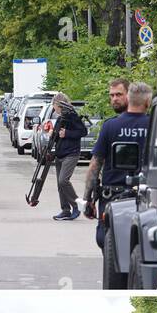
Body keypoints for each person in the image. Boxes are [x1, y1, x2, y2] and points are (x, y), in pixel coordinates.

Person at [84, 80, 152, 248]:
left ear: (128, 96)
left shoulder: (110, 126)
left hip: (112, 196)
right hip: (147, 196)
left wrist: (88, 199)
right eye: (112, 95)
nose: (114, 98)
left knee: (107, 240)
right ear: (148, 102)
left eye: (118, 95)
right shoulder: (156, 125)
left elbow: (95, 164)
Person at [49, 93, 86, 221]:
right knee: (60, 184)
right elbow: (57, 135)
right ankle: (65, 210)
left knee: (63, 180)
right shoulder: (61, 118)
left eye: (55, 106)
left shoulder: (72, 117)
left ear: (59, 105)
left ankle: (76, 205)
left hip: (71, 153)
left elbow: (83, 131)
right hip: (60, 153)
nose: (54, 109)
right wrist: (52, 134)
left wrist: (67, 133)